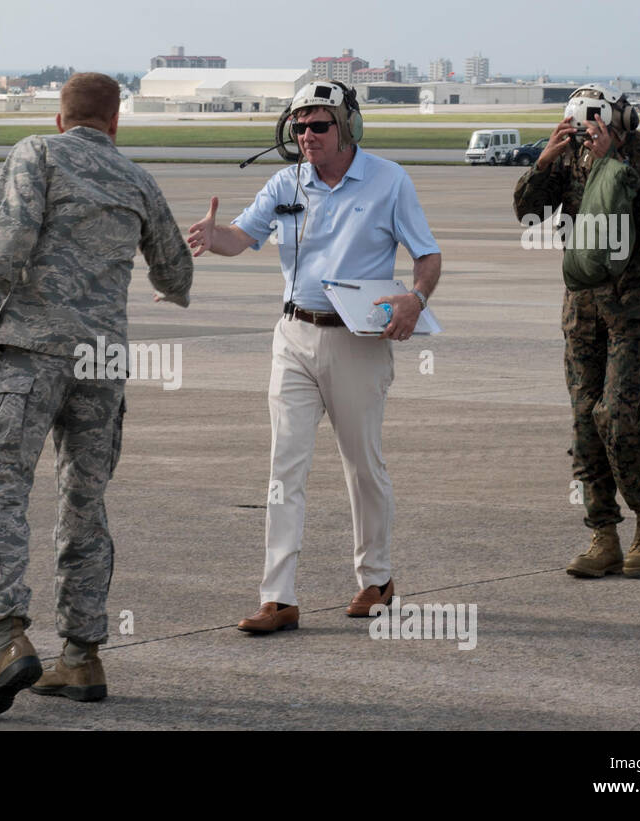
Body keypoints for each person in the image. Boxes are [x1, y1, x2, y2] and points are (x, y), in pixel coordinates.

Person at [0, 72, 193, 718]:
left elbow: (8, 237)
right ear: (116, 124)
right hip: (103, 359)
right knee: (84, 500)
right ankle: (82, 654)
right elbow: (176, 271)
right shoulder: (138, 179)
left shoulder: (39, 153)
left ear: (61, 119)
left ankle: (7, 636)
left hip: (36, 351)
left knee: (1, 483)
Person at [187, 81, 442, 633]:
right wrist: (215, 236)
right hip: (294, 337)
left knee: (362, 465)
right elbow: (243, 237)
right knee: (285, 467)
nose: (306, 135)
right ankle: (277, 597)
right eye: (298, 126)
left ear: (347, 127)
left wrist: (415, 300)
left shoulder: (388, 180)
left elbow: (427, 254)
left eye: (319, 125)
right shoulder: (286, 181)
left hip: (358, 342)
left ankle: (376, 578)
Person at [512, 84, 640, 578]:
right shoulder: (569, 159)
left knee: (617, 411)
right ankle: (602, 532)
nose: (590, 133)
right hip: (583, 305)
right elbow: (529, 214)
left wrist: (614, 165)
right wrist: (545, 162)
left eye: (596, 124)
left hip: (636, 302)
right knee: (586, 418)